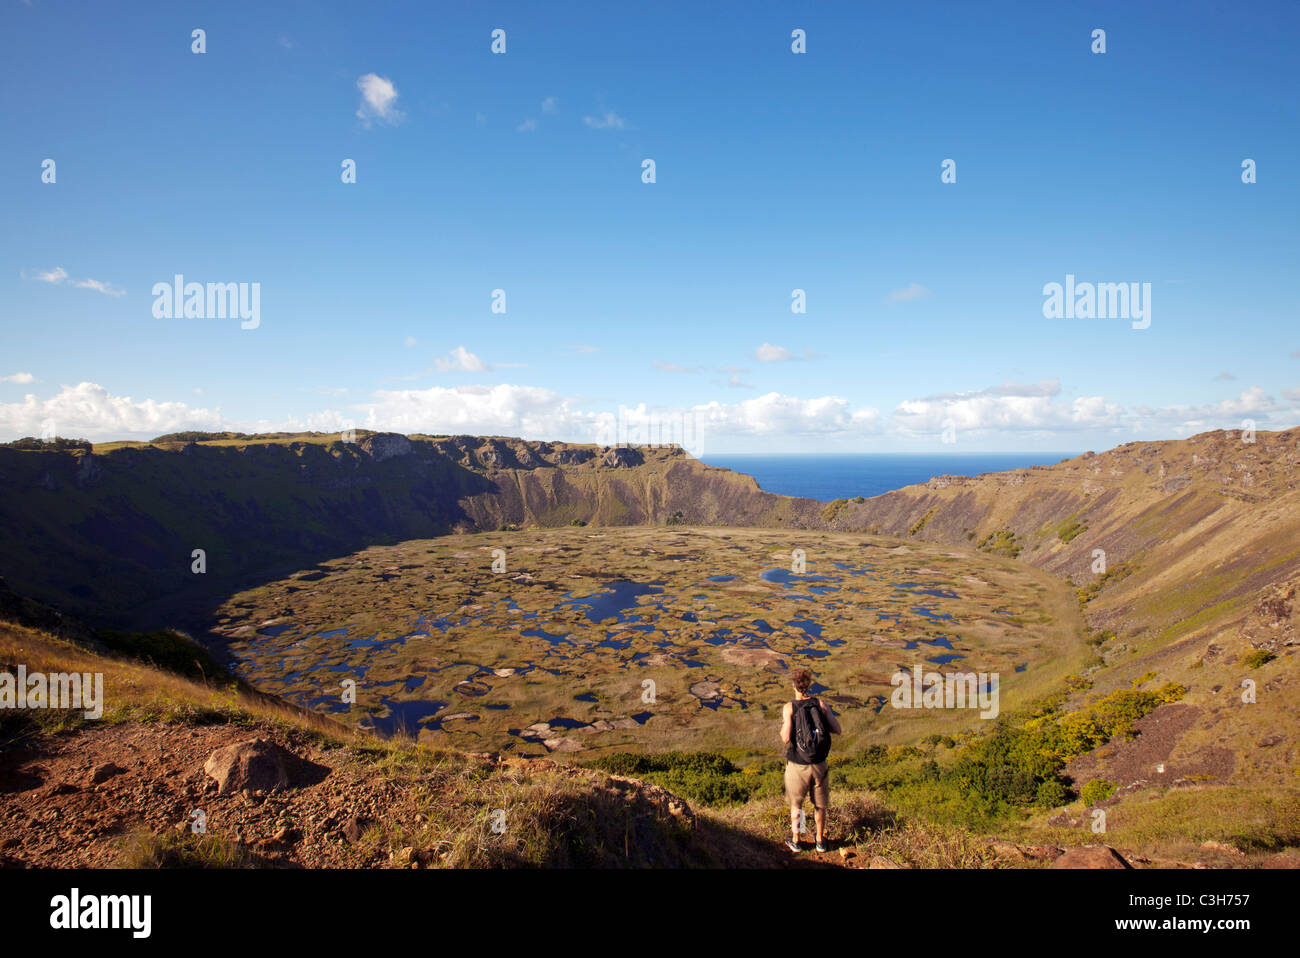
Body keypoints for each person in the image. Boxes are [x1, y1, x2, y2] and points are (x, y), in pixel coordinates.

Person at [780, 668, 842, 853]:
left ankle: (797, 840)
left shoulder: (789, 707)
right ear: (808, 685)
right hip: (819, 764)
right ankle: (820, 841)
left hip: (798, 764)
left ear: (794, 685)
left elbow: (785, 738)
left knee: (796, 804)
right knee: (820, 805)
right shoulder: (820, 703)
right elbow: (837, 729)